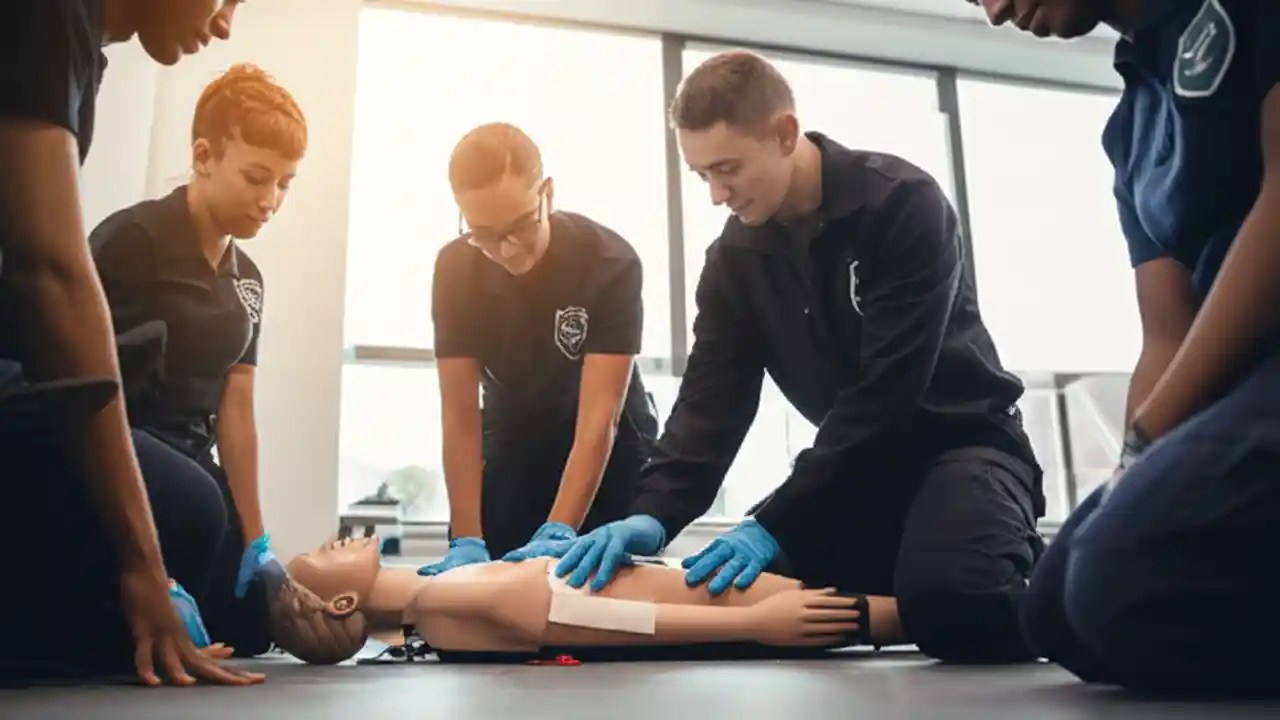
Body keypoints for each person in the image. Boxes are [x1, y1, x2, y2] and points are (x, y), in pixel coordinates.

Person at [553, 51, 1045, 664]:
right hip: (854, 474)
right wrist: (650, 515)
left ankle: (1043, 574)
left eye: (728, 169)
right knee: (734, 599)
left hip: (961, 448)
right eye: (701, 175)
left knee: (958, 600)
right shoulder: (733, 262)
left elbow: (887, 393)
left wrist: (775, 520)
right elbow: (710, 404)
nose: (716, 195)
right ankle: (921, 576)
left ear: (785, 134)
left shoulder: (902, 205)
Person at [967, 0, 1280, 696]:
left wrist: (1150, 440)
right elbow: (1166, 332)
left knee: (1119, 582)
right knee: (1055, 613)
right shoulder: (1131, 129)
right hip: (1242, 392)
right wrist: (1130, 473)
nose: (993, 11)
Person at [0, 0, 262, 686]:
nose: (226, 24)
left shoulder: (81, 47)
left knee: (215, 536)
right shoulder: (47, 14)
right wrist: (143, 565)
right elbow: (50, 273)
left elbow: (237, 406)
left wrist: (258, 543)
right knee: (186, 510)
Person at [88, 62, 307, 658]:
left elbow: (237, 408)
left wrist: (258, 543)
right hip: (119, 449)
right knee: (196, 502)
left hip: (191, 460)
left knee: (252, 623)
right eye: (256, 178)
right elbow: (85, 384)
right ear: (204, 156)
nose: (270, 201)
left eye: (284, 184)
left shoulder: (248, 279)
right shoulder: (131, 240)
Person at [417, 123, 660, 575]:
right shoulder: (456, 269)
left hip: (608, 452)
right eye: (484, 234)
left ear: (547, 193)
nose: (507, 250)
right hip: (514, 440)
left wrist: (559, 530)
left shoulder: (609, 263)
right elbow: (460, 415)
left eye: (520, 226)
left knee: (593, 591)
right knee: (492, 586)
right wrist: (467, 537)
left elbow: (599, 419)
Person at [284, 534, 888, 664]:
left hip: (723, 587)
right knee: (905, 613)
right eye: (318, 558)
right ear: (341, 603)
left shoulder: (444, 598)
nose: (327, 544)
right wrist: (755, 622)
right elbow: (602, 619)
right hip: (736, 601)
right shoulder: (446, 601)